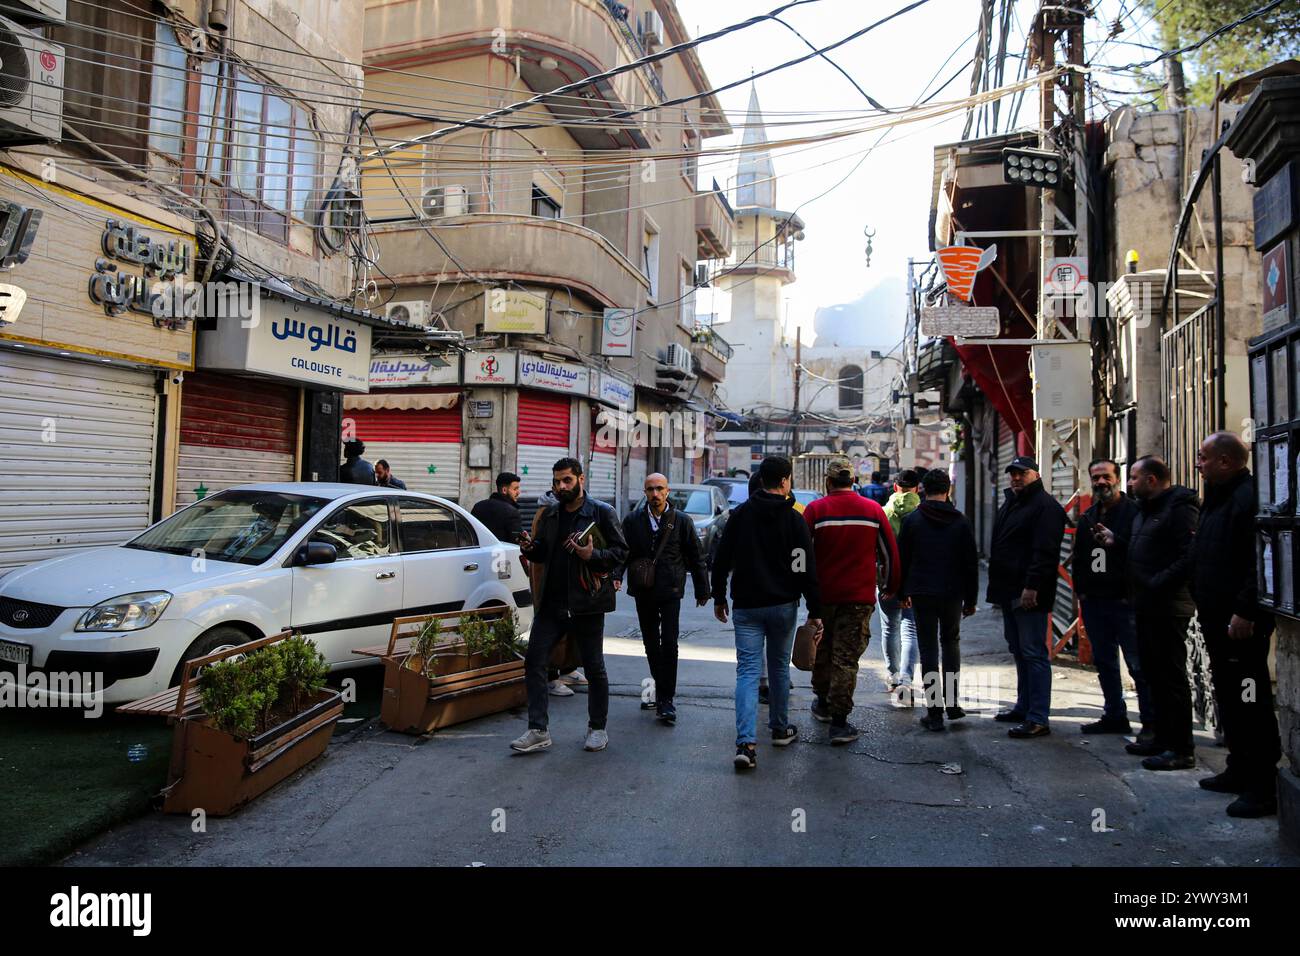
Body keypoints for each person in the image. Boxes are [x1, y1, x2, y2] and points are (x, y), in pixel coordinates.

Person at [511, 458, 628, 754]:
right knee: (535, 662)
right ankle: (538, 729)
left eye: (566, 481)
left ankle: (597, 727)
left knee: (594, 668)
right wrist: (529, 547)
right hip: (552, 604)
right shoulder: (551, 514)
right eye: (557, 482)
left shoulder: (601, 512)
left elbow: (620, 553)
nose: (561, 487)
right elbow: (542, 553)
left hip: (587, 603)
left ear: (581, 480)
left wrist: (592, 555)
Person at [712, 455, 822, 770]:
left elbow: (721, 559)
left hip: (746, 606)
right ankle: (779, 729)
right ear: (786, 481)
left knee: (747, 672)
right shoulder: (794, 520)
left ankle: (746, 744)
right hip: (783, 606)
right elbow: (804, 567)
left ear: (761, 480)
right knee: (778, 668)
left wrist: (719, 596)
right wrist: (814, 609)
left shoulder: (741, 515)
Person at [1192, 432, 1280, 816]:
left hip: (1239, 624)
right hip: (1216, 619)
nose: (1198, 464)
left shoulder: (1247, 498)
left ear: (1225, 461)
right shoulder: (1219, 497)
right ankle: (1239, 768)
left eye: (1203, 457)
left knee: (1250, 700)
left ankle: (1262, 786)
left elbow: (1260, 560)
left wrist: (1245, 610)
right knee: (1230, 698)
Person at [801, 456, 899, 744]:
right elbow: (890, 554)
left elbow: (801, 556)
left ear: (828, 482)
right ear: (853, 481)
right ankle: (840, 722)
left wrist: (803, 592)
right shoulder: (872, 510)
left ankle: (822, 703)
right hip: (858, 599)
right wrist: (891, 586)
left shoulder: (815, 510)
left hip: (823, 598)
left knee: (822, 649)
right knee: (845, 658)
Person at [1123, 455, 1199, 771]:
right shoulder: (1146, 511)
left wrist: (1156, 583)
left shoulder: (1180, 509)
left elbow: (1188, 557)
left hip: (1168, 607)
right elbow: (1144, 550)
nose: (1129, 483)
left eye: (1134, 477)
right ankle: (1161, 738)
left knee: (1171, 677)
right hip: (1146, 605)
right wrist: (1115, 544)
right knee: (1153, 674)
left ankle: (1181, 748)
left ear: (1152, 480)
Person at [617, 473, 710, 725]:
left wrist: (703, 589)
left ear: (667, 492)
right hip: (643, 589)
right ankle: (662, 688)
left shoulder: (681, 521)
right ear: (644, 492)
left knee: (669, 642)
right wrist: (616, 576)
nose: (655, 494)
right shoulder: (633, 520)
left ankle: (666, 699)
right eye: (650, 489)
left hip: (671, 590)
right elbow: (623, 551)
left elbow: (695, 556)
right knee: (650, 642)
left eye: (659, 489)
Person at [986, 455, 1067, 739]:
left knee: (1033, 652)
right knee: (1019, 650)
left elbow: (1045, 553)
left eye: (1022, 474)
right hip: (1009, 591)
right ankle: (1024, 706)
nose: (1016, 478)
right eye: (1013, 474)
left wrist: (1032, 587)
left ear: (1035, 474)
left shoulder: (1045, 507)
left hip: (1028, 593)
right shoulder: (1014, 502)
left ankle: (1038, 717)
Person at [1073, 458, 1153, 740]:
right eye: (1096, 478)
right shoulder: (1089, 515)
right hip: (1095, 602)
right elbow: (1080, 557)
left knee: (1137, 664)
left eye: (1106, 477)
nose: (1101, 483)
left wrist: (1116, 541)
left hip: (1125, 602)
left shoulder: (1134, 513)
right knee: (1105, 662)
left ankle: (1151, 724)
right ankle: (1114, 715)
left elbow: (1145, 554)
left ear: (1117, 478)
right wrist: (1081, 593)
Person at [896, 469, 978, 732]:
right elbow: (970, 564)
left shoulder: (913, 520)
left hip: (922, 593)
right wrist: (971, 599)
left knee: (929, 649)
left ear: (921, 489)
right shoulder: (961, 522)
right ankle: (953, 705)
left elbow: (903, 560)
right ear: (948, 491)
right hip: (952, 594)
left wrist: (902, 592)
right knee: (951, 644)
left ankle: (934, 713)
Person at [880, 469, 922, 701]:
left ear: (895, 488)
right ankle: (906, 679)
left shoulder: (883, 513)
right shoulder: (922, 513)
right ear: (917, 488)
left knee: (890, 628)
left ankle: (893, 675)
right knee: (910, 630)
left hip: (888, 580)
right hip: (915, 582)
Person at [471, 472, 523, 542]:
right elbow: (516, 542)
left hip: (480, 551)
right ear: (504, 490)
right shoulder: (512, 512)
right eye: (515, 489)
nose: (518, 492)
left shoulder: (478, 506)